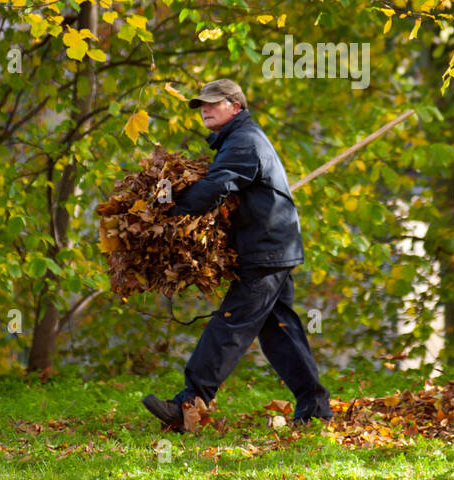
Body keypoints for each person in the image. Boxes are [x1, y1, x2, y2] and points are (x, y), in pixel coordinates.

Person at [142, 79, 333, 431]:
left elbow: (217, 187)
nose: (205, 109)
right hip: (272, 246)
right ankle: (316, 408)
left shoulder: (244, 142)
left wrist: (172, 213)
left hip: (266, 249)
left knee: (229, 323)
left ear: (236, 106)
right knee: (280, 332)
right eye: (202, 104)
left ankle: (189, 404)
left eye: (214, 103)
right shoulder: (241, 139)